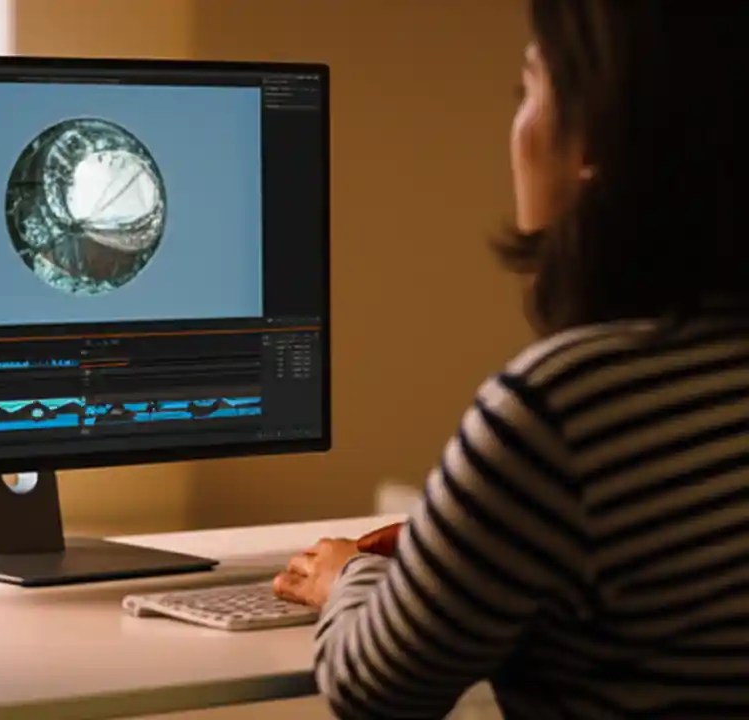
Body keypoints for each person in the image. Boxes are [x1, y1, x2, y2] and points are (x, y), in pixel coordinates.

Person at [273, 1, 749, 717]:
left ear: (596, 139)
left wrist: (352, 575)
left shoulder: (564, 406)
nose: (517, 125)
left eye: (529, 87)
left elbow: (375, 692)